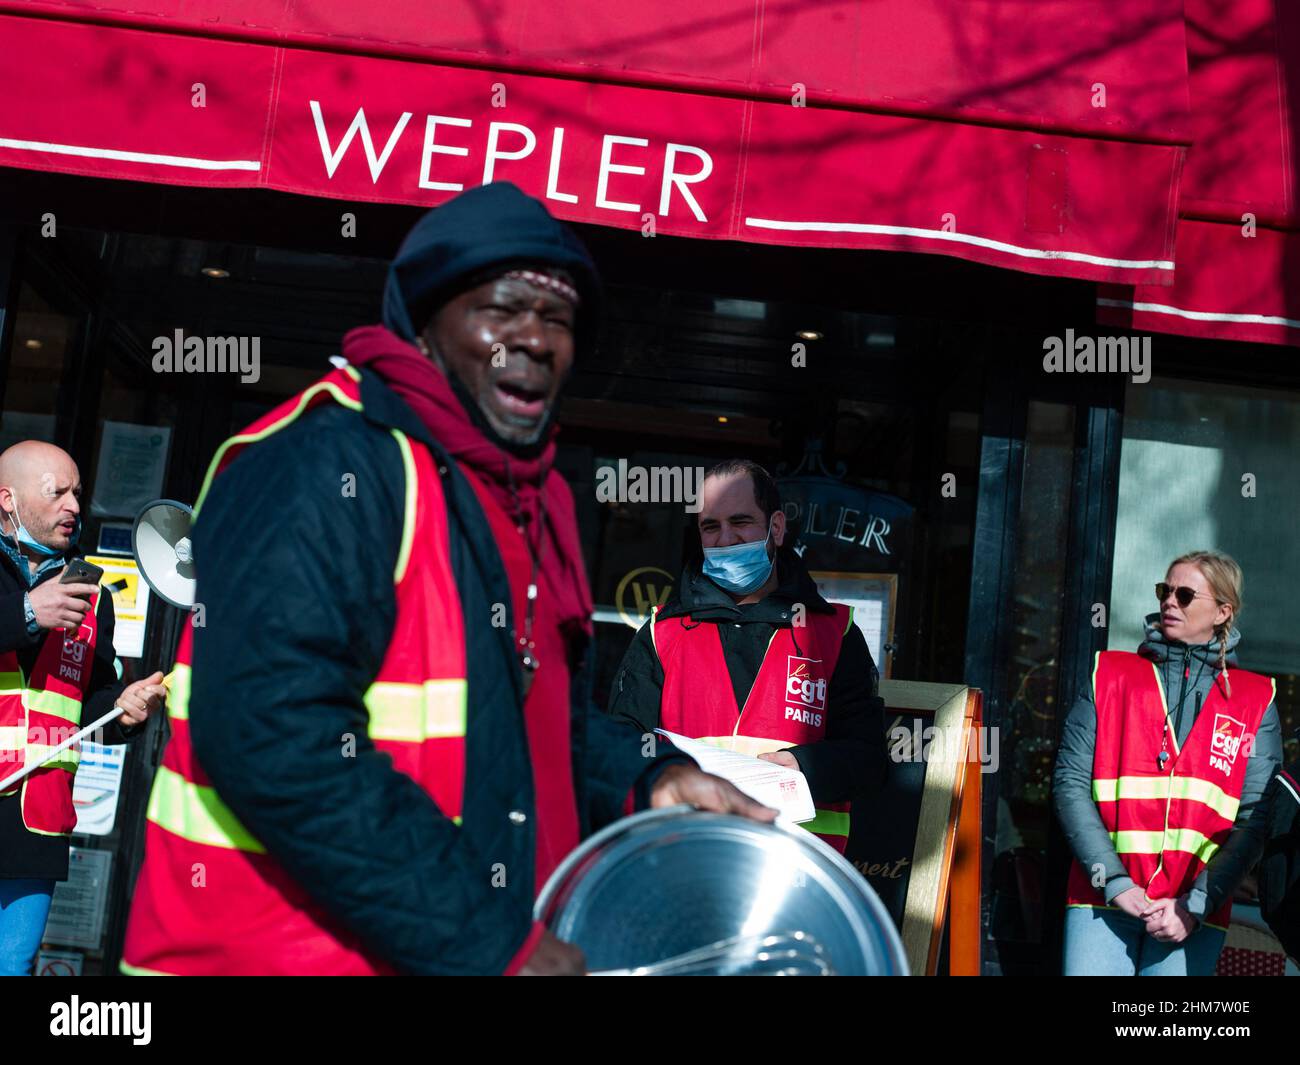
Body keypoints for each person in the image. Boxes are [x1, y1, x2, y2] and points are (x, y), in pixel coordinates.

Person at [121, 182, 773, 977]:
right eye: (502, 309)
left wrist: (649, 780)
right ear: (424, 324)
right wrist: (491, 941)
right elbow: (275, 737)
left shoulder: (528, 496)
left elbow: (530, 716)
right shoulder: (323, 460)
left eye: (558, 319)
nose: (533, 339)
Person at [608, 458, 887, 853]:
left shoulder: (834, 634)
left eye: (740, 523)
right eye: (711, 526)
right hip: (685, 859)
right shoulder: (661, 634)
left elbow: (870, 760)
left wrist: (805, 766)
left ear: (775, 527)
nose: (725, 540)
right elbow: (621, 750)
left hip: (798, 871)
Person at [1054, 550, 1281, 975]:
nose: (1169, 602)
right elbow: (1070, 784)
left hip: (1191, 913)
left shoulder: (1255, 699)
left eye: (1184, 594)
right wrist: (1116, 883)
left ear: (1222, 611)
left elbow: (1257, 818)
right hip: (1102, 898)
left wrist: (1194, 905)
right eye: (1165, 590)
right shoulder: (1110, 674)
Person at [0, 441, 164, 976]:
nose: (74, 505)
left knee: (12, 964)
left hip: (34, 820)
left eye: (78, 492)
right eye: (57, 492)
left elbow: (83, 706)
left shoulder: (92, 592)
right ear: (8, 499)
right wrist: (26, 613)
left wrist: (122, 712)